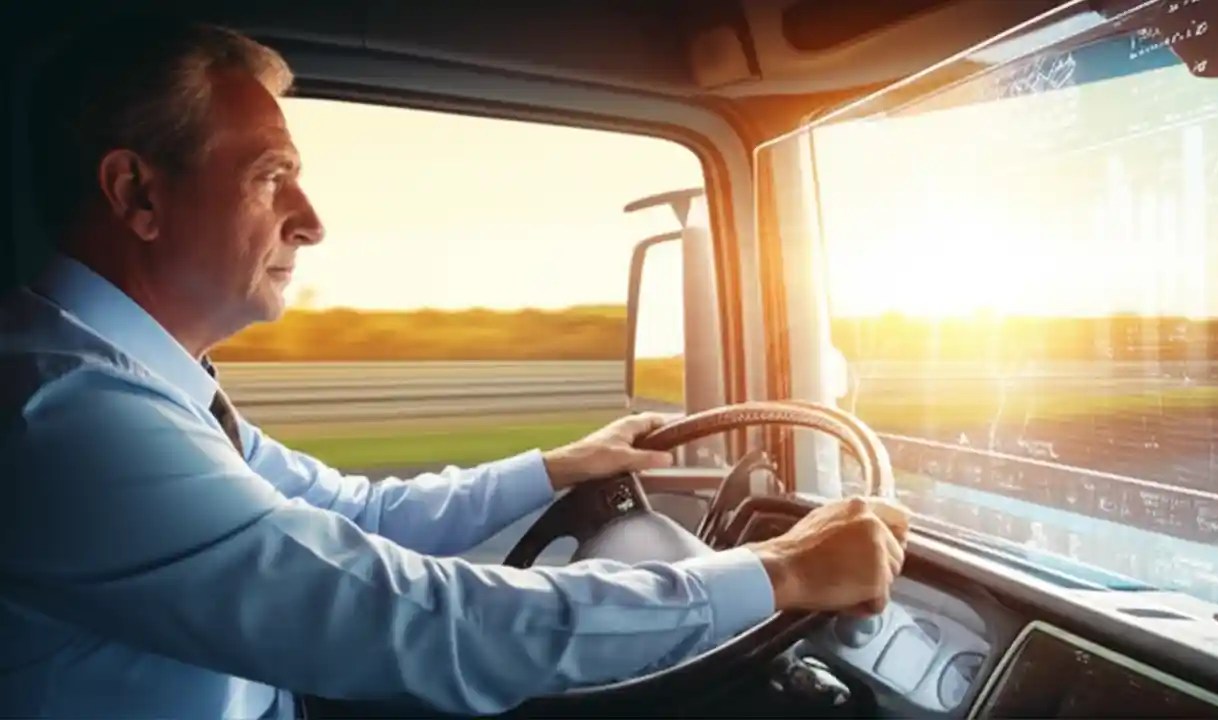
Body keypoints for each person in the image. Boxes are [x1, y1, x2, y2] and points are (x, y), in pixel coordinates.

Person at [0, 16, 910, 719]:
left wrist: (558, 468)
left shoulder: (140, 385)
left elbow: (356, 516)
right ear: (137, 193)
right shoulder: (71, 416)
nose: (311, 219)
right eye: (271, 175)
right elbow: (426, 623)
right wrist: (780, 572)